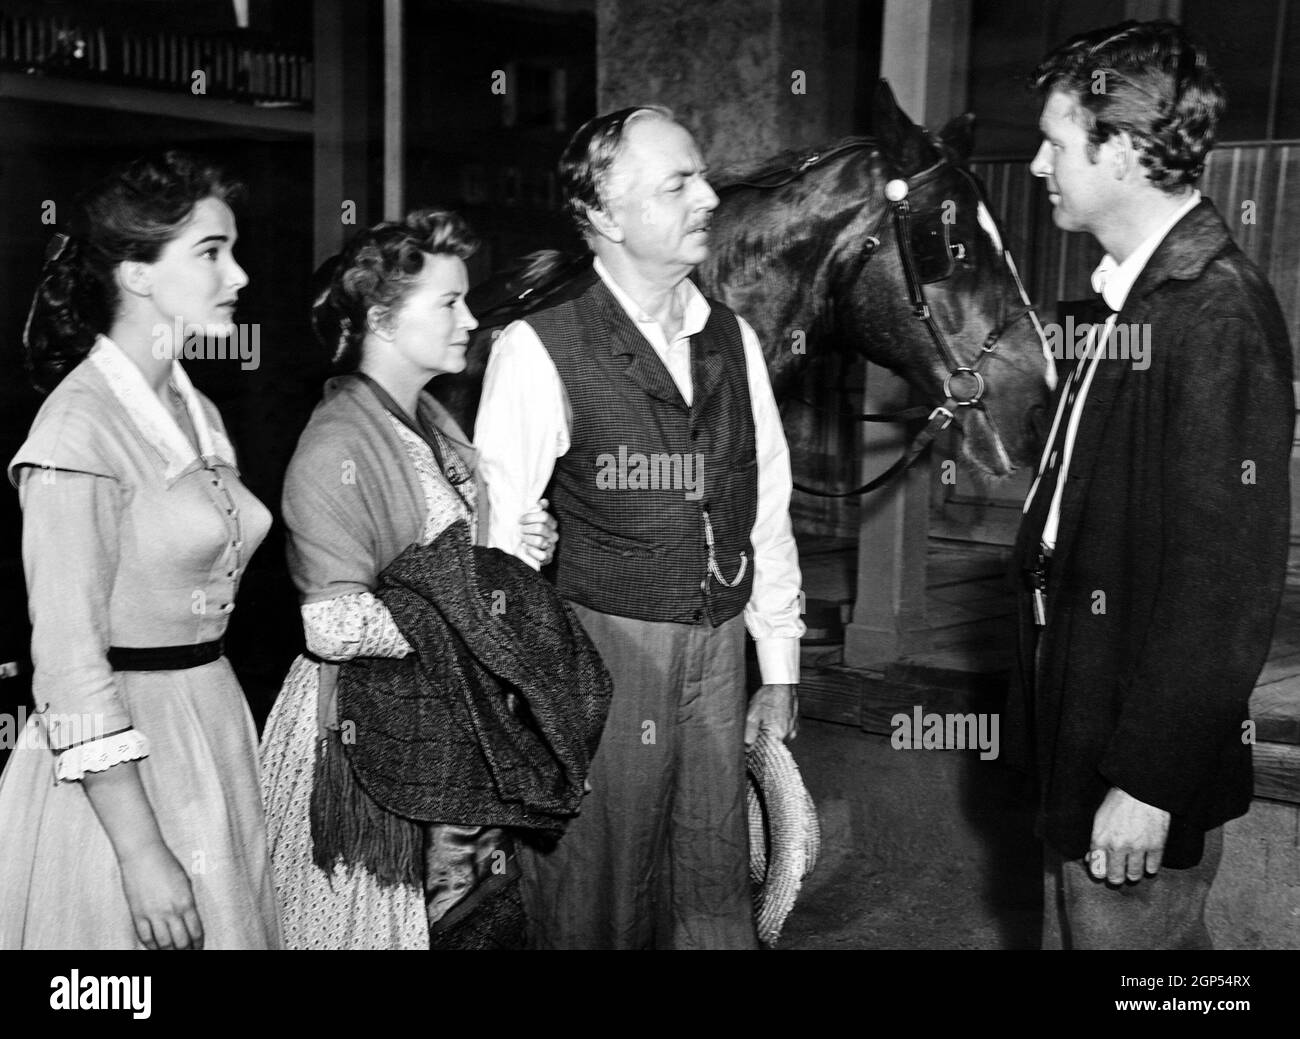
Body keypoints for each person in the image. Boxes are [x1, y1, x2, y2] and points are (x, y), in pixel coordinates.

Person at [474, 106, 805, 949]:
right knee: (598, 883)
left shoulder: (733, 339)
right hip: (603, 653)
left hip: (720, 645)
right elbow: (499, 544)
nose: (707, 195)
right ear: (605, 215)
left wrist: (780, 663)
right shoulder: (539, 346)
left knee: (711, 868)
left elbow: (765, 504)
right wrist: (520, 696)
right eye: (678, 182)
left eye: (702, 174)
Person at [1010, 20, 1294, 949]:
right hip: (1088, 711)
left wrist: (1147, 780)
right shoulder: (1132, 298)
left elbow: (1225, 587)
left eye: (1056, 143)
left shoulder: (1214, 313)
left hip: (1135, 754)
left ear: (1124, 151)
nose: (1040, 166)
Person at [258, 209, 563, 949]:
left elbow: (453, 557)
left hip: (437, 715)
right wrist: (471, 602)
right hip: (365, 735)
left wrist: (515, 550)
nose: (468, 318)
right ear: (383, 320)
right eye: (448, 302)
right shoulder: (338, 440)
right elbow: (332, 624)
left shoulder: (424, 420)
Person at [0, 151, 280, 949]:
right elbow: (66, 664)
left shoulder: (198, 411)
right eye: (211, 252)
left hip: (211, 726)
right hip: (119, 776)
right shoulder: (77, 429)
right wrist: (140, 849)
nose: (239, 274)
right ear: (138, 276)